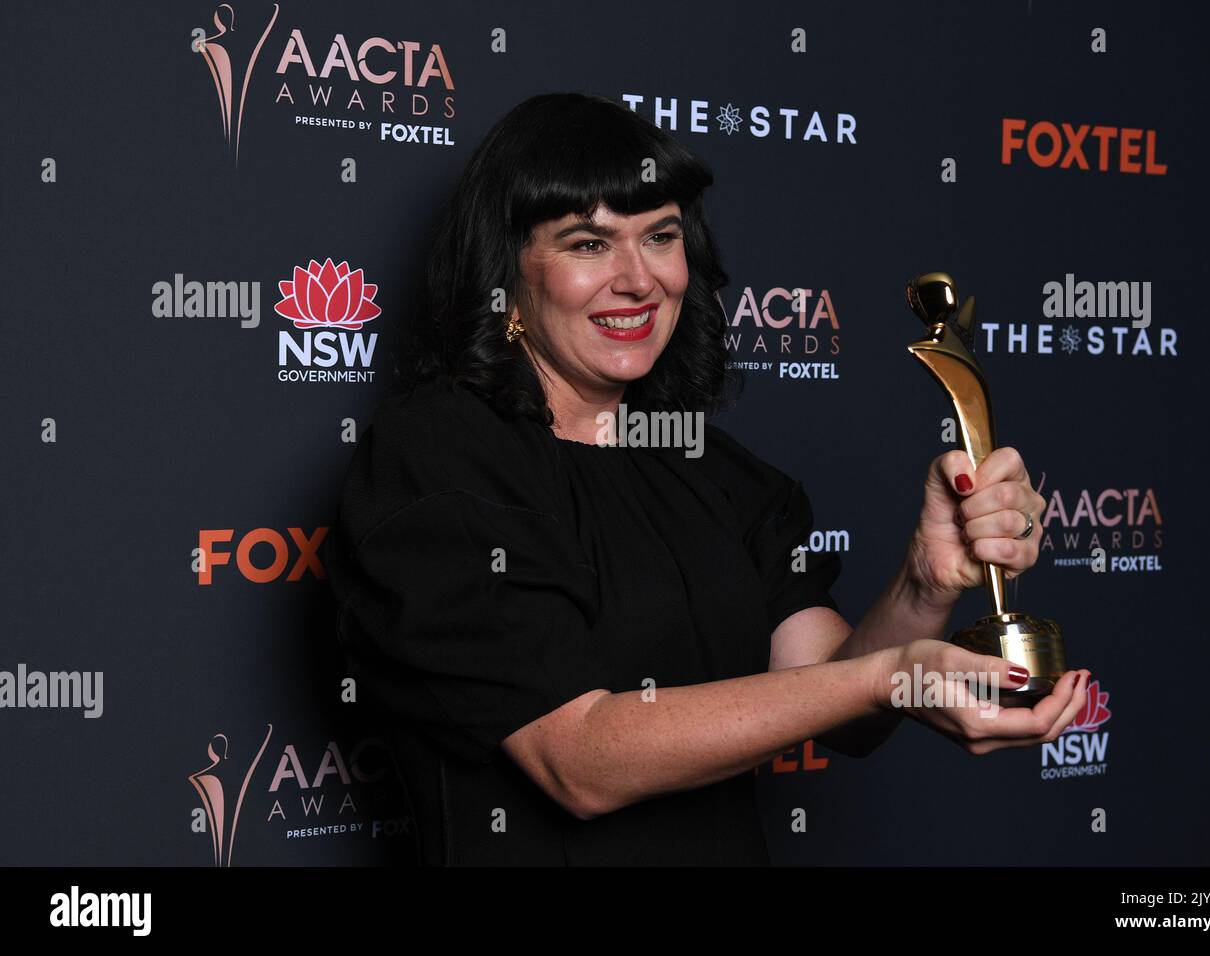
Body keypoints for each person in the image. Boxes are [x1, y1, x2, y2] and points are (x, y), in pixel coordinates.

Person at [321, 92, 1090, 866]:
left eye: (660, 235)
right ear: (506, 274)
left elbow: (841, 702)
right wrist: (890, 675)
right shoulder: (436, 455)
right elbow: (578, 759)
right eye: (588, 244)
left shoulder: (715, 473)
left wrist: (926, 584)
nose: (638, 279)